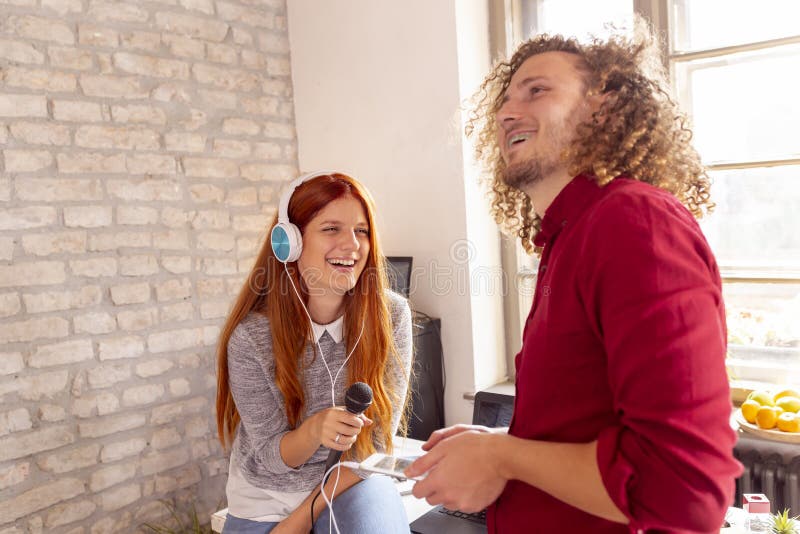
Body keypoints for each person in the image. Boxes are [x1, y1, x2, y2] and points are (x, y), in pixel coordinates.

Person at [405, 23, 742, 534]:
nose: (505, 113)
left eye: (537, 90)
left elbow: (682, 490)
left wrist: (503, 457)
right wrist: (494, 447)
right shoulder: (569, 237)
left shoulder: (632, 222)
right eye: (504, 101)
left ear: (601, 108)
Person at [216, 171, 413, 534]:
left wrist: (299, 522)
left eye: (361, 230)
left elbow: (376, 443)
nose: (351, 244)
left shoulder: (391, 317)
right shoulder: (251, 339)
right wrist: (313, 432)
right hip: (267, 495)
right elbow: (271, 459)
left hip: (353, 481)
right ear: (288, 243)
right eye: (331, 229)